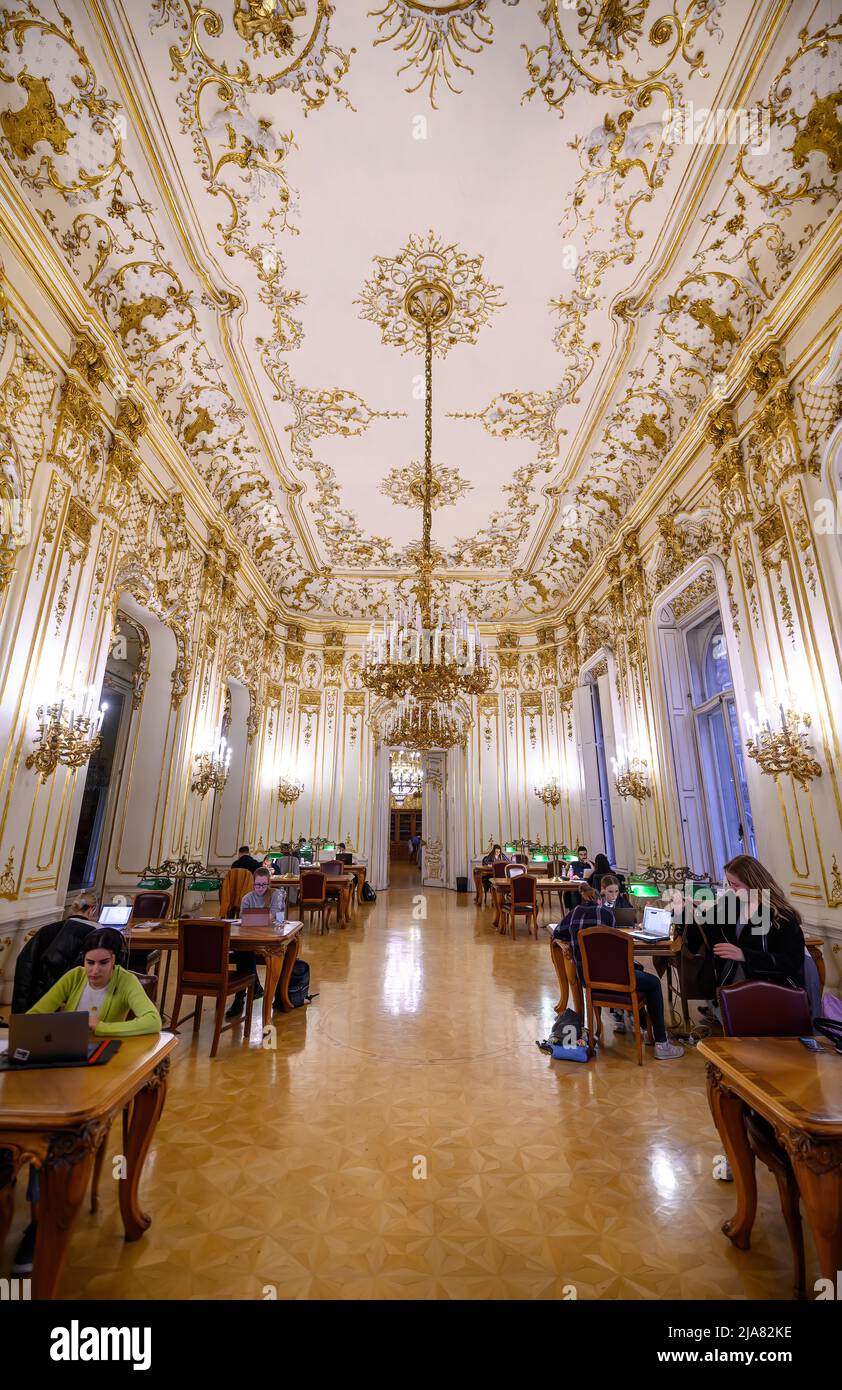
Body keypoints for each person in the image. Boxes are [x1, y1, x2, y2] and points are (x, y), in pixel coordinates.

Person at [10, 927, 162, 1276]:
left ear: (116, 961)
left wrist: (102, 1026)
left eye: (103, 964)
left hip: (98, 1074)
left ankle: (42, 1220)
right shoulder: (74, 976)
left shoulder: (125, 982)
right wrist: (60, 1026)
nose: (94, 971)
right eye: (90, 963)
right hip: (58, 1069)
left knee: (54, 1138)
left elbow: (152, 1021)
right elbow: (33, 1017)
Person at [553, 887, 684, 1060]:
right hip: (616, 979)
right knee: (652, 982)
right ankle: (660, 1042)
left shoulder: (574, 913)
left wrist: (568, 943)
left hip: (588, 979)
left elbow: (557, 933)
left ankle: (636, 1023)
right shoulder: (607, 914)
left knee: (637, 971)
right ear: (599, 900)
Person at [685, 854, 806, 991]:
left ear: (754, 884)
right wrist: (689, 911)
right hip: (732, 982)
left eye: (736, 885)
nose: (731, 889)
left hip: (771, 989)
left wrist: (745, 955)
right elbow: (705, 926)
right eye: (729, 884)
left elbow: (792, 962)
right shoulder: (732, 903)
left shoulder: (781, 916)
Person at [11, 891, 101, 1014]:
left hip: (39, 1000)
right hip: (77, 1004)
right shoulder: (97, 934)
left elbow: (25, 964)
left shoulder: (46, 930)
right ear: (92, 910)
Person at [226, 868, 284, 1019]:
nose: (260, 888)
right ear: (253, 883)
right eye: (257, 885)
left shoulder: (275, 894)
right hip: (250, 937)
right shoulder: (247, 898)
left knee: (245, 954)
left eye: (264, 885)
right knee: (242, 950)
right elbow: (243, 918)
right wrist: (261, 918)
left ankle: (245, 993)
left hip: (271, 938)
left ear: (269, 884)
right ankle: (250, 989)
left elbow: (274, 916)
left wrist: (255, 919)